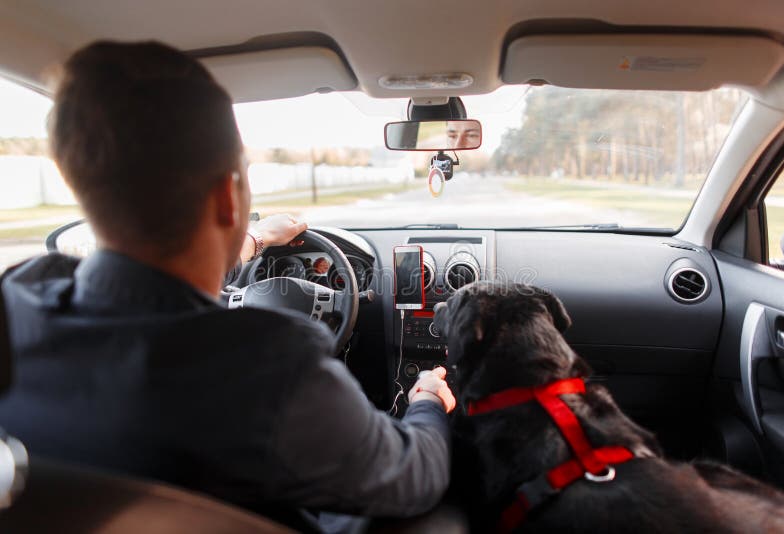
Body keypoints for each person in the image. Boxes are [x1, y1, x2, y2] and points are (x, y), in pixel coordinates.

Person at [0, 41, 456, 530]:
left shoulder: (16, 308)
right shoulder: (271, 370)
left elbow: (155, 283)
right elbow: (417, 475)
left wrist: (255, 239)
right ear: (227, 196)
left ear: (79, 185)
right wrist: (427, 397)